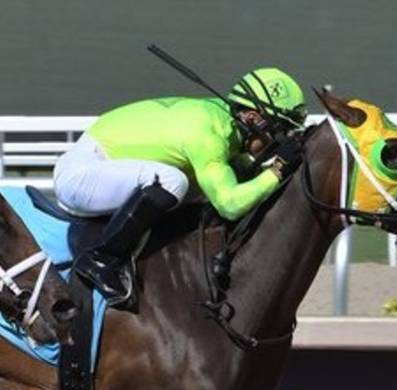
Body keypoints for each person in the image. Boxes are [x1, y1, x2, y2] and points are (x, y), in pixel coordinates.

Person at [53, 67, 309, 304]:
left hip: (104, 166)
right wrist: (277, 171)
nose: (277, 142)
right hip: (82, 176)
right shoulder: (207, 134)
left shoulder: (222, 122)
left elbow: (238, 175)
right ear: (253, 118)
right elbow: (230, 204)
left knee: (217, 177)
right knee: (174, 181)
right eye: (279, 132)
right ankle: (101, 259)